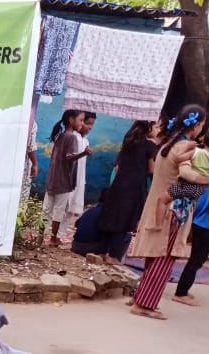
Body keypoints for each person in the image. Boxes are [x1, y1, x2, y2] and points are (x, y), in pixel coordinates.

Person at [128, 104, 206, 319]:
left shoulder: (168, 143)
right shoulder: (186, 147)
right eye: (202, 125)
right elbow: (187, 175)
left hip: (158, 204)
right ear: (196, 125)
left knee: (154, 254)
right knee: (165, 257)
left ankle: (140, 296)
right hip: (174, 211)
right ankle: (145, 304)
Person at [97, 120, 159, 263]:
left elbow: (118, 166)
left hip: (118, 185)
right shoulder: (149, 145)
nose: (158, 130)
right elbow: (152, 170)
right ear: (148, 128)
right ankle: (113, 256)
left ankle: (101, 251)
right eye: (156, 126)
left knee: (112, 217)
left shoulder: (128, 142)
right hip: (134, 188)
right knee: (125, 221)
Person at [171, 133, 209, 306]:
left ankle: (183, 289)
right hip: (203, 223)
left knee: (198, 257)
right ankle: (181, 292)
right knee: (197, 258)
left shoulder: (198, 156)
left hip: (199, 219)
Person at [43, 109, 88, 247]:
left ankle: (39, 236)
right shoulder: (72, 137)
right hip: (63, 180)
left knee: (47, 210)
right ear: (71, 120)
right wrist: (84, 153)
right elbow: (69, 157)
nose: (82, 123)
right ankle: (53, 239)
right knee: (59, 210)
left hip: (52, 178)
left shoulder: (61, 136)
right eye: (80, 120)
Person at [64, 111, 97, 229]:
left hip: (79, 178)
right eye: (87, 123)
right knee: (65, 205)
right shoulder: (73, 137)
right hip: (68, 178)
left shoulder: (85, 140)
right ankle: (54, 232)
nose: (90, 127)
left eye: (92, 124)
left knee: (72, 208)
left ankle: (62, 232)